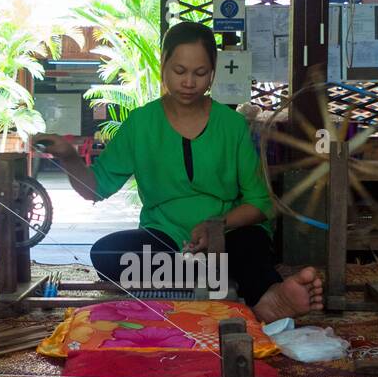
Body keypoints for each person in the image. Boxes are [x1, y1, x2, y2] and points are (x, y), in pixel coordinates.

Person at [34, 20, 323, 323]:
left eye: (200, 73)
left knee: (251, 246)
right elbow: (96, 188)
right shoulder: (140, 124)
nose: (189, 82)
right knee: (108, 254)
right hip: (166, 237)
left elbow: (260, 204)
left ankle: (270, 298)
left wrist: (215, 225)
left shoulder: (232, 125)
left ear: (212, 73)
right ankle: (219, 280)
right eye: (179, 71)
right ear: (163, 66)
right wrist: (69, 158)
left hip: (228, 235)